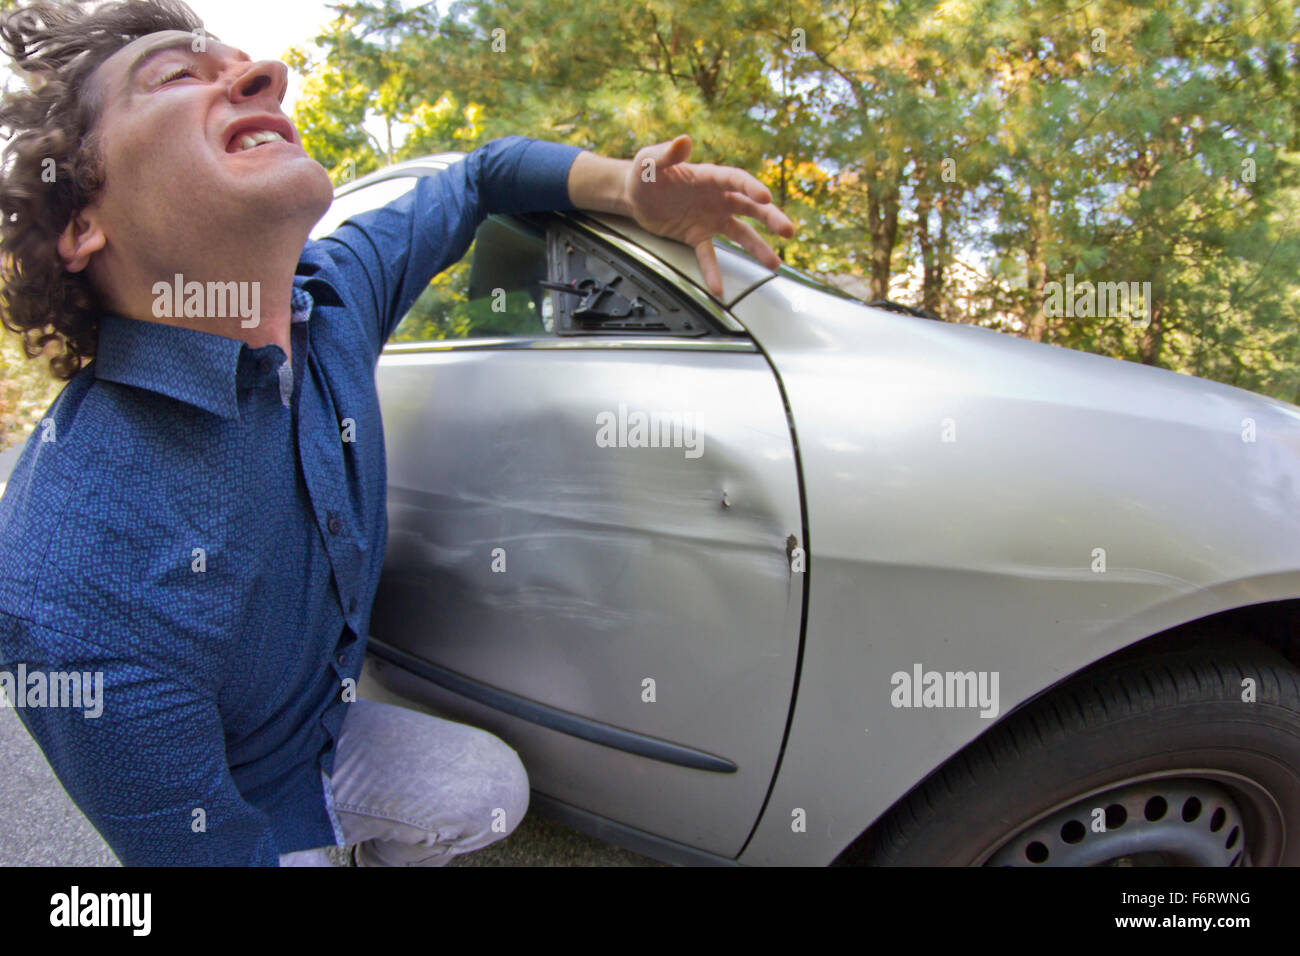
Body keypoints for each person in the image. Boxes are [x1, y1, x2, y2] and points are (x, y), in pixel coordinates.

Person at [0, 0, 794, 866]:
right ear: (82, 222)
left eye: (244, 64)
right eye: (180, 78)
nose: (265, 76)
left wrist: (628, 188)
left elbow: (479, 179)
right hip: (238, 816)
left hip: (322, 736)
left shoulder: (336, 297)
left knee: (484, 791)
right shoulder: (70, 584)